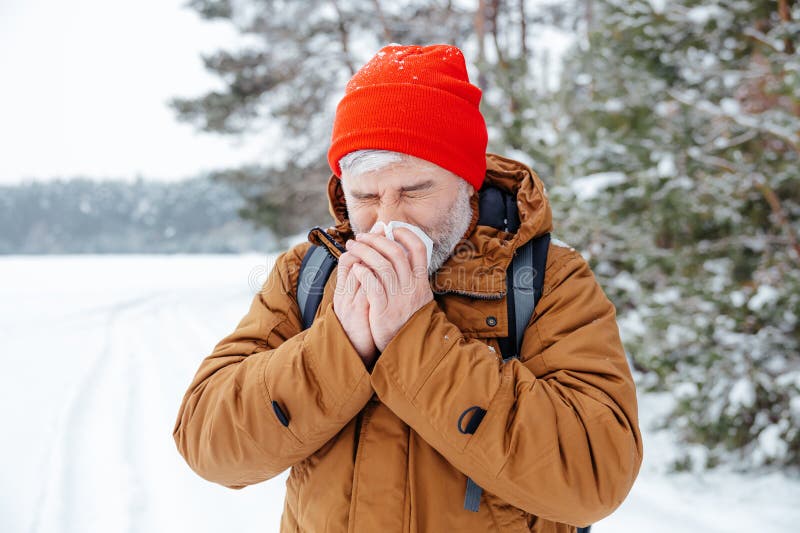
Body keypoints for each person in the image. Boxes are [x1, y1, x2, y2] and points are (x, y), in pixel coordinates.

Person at [172, 43, 643, 533]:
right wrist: (341, 348)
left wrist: (414, 337)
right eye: (367, 197)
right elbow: (208, 445)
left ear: (466, 181)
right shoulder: (306, 273)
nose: (388, 219)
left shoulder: (547, 279)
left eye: (415, 191)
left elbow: (594, 476)